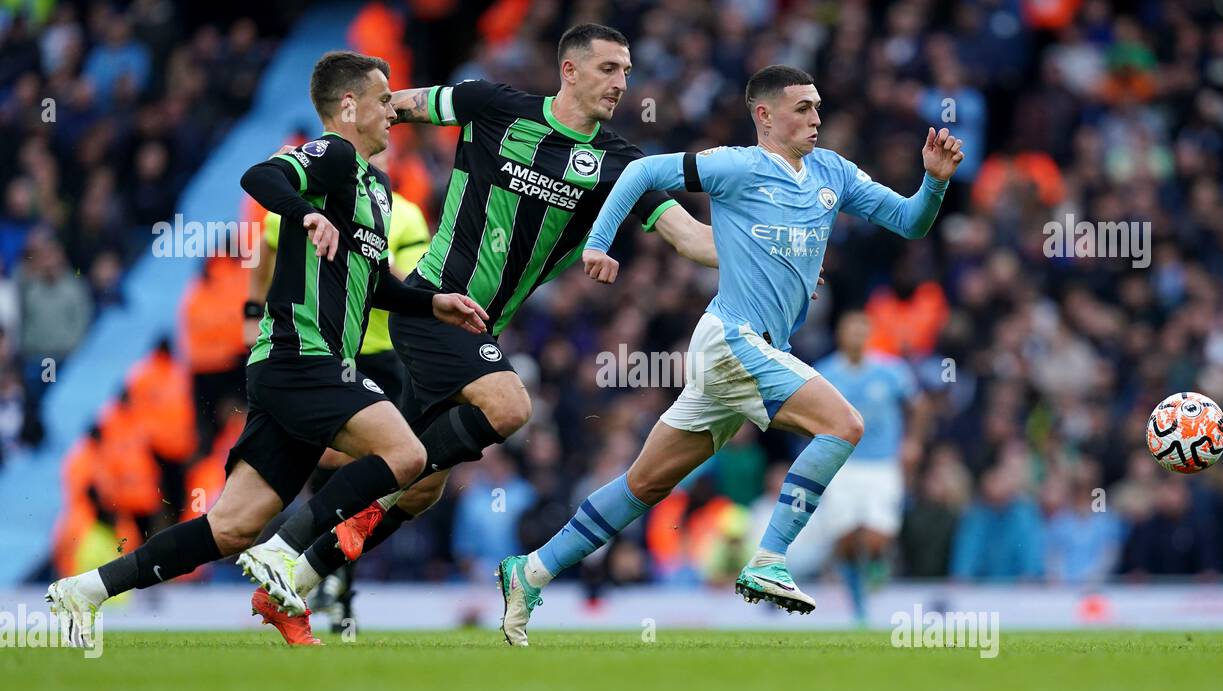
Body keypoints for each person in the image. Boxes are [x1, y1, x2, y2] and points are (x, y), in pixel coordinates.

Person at [497, 64, 964, 645]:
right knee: (843, 424)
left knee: (645, 484)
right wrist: (598, 241)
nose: (816, 117)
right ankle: (769, 558)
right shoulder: (735, 166)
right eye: (802, 108)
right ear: (764, 116)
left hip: (748, 351)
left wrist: (935, 182)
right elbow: (643, 169)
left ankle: (531, 570)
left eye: (818, 106)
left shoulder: (832, 173)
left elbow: (908, 222)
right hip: (731, 338)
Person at [46, 51, 487, 647]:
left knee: (229, 528)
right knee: (407, 455)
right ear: (349, 106)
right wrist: (305, 214)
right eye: (384, 100)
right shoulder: (332, 155)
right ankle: (285, 556)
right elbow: (259, 176)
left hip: (302, 370)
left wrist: (432, 304)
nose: (395, 111)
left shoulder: (377, 191)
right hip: (301, 358)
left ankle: (85, 591)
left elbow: (372, 282)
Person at [278, 24, 719, 607]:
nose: (621, 83)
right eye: (609, 69)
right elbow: (392, 108)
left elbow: (688, 236)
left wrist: (766, 256)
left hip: (477, 328)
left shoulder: (619, 166)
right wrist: (330, 154)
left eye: (627, 72)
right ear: (570, 70)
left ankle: (301, 578)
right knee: (510, 406)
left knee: (418, 487)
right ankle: (291, 540)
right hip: (434, 302)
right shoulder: (491, 105)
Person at [246, 148, 429, 642]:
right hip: (323, 350)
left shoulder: (403, 212)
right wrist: (250, 313)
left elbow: (407, 283)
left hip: (381, 353)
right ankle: (314, 573)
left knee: (374, 469)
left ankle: (332, 583)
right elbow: (265, 257)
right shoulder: (299, 203)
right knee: (327, 462)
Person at [813, 310, 918, 624]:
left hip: (881, 465)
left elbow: (919, 405)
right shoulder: (825, 372)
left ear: (869, 334)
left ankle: (876, 564)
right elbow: (807, 412)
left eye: (862, 330)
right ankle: (859, 608)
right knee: (844, 539)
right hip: (841, 464)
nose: (857, 336)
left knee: (875, 537)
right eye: (851, 330)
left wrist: (912, 441)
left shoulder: (891, 371)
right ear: (841, 335)